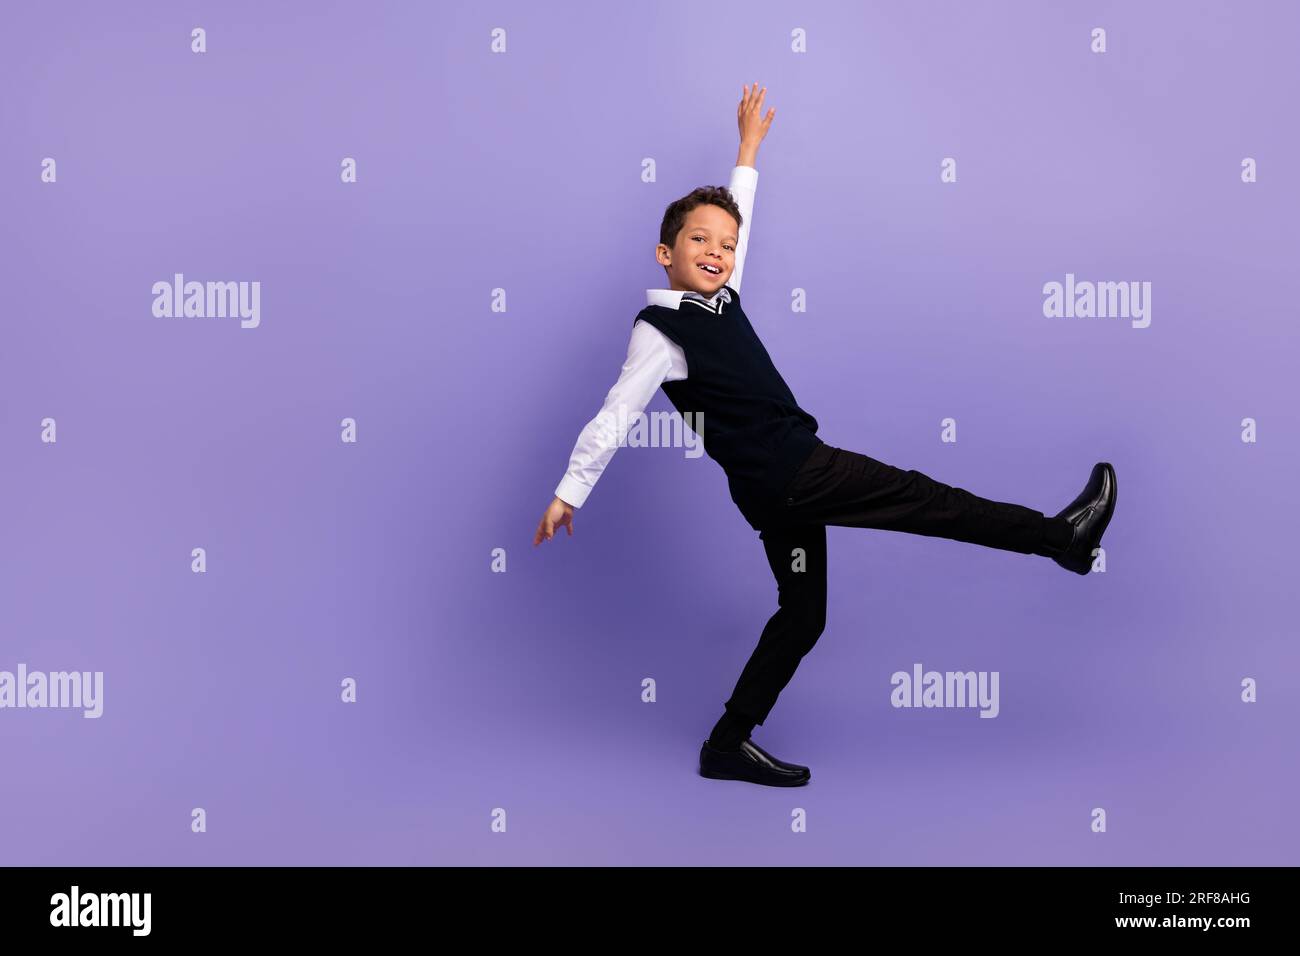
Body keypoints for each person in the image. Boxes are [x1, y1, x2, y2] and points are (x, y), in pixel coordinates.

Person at [533, 83, 1117, 788]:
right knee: (928, 500)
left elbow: (738, 217)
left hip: (775, 494)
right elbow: (616, 412)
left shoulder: (720, 300)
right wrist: (571, 492)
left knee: (803, 615)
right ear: (664, 253)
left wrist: (748, 148)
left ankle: (727, 743)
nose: (718, 252)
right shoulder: (659, 331)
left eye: (727, 244)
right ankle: (1062, 538)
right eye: (699, 241)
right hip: (796, 472)